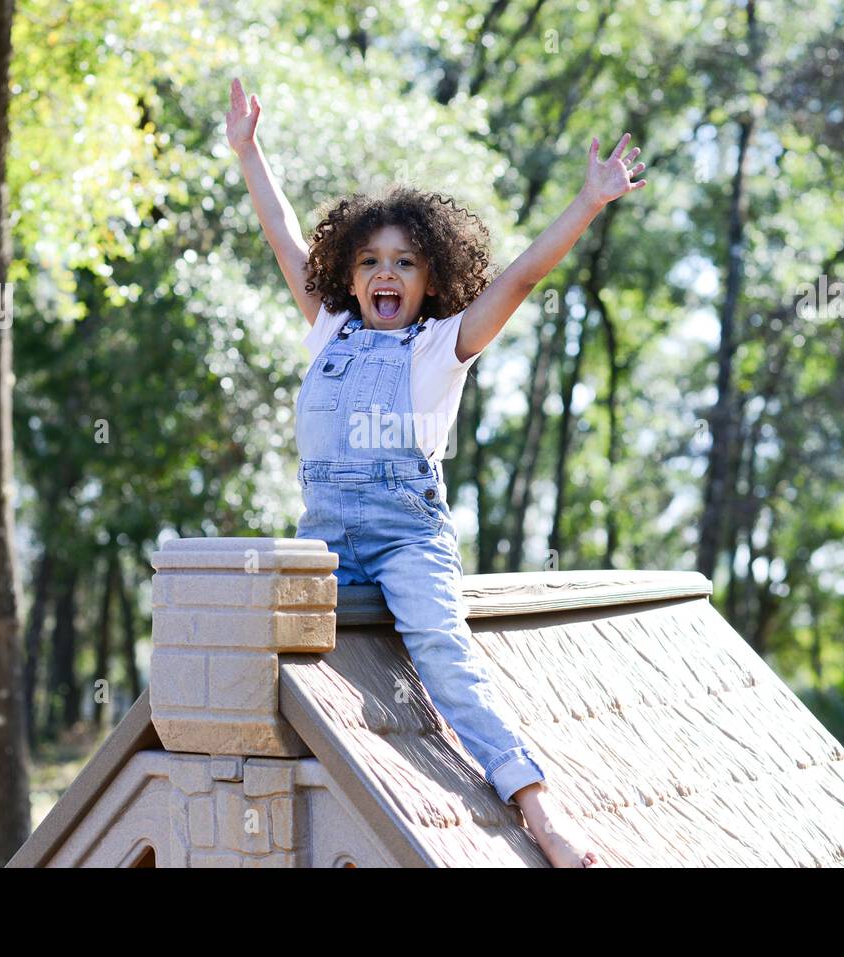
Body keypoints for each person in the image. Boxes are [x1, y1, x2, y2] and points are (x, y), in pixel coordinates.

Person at [225, 76, 646, 867]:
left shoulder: (437, 349)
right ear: (348, 277)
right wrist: (250, 152)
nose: (387, 273)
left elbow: (519, 277)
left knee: (445, 660)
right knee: (253, 628)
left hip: (406, 543)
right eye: (371, 261)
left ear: (430, 281)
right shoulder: (327, 332)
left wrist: (588, 203)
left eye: (406, 263)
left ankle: (537, 806)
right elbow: (279, 231)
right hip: (326, 545)